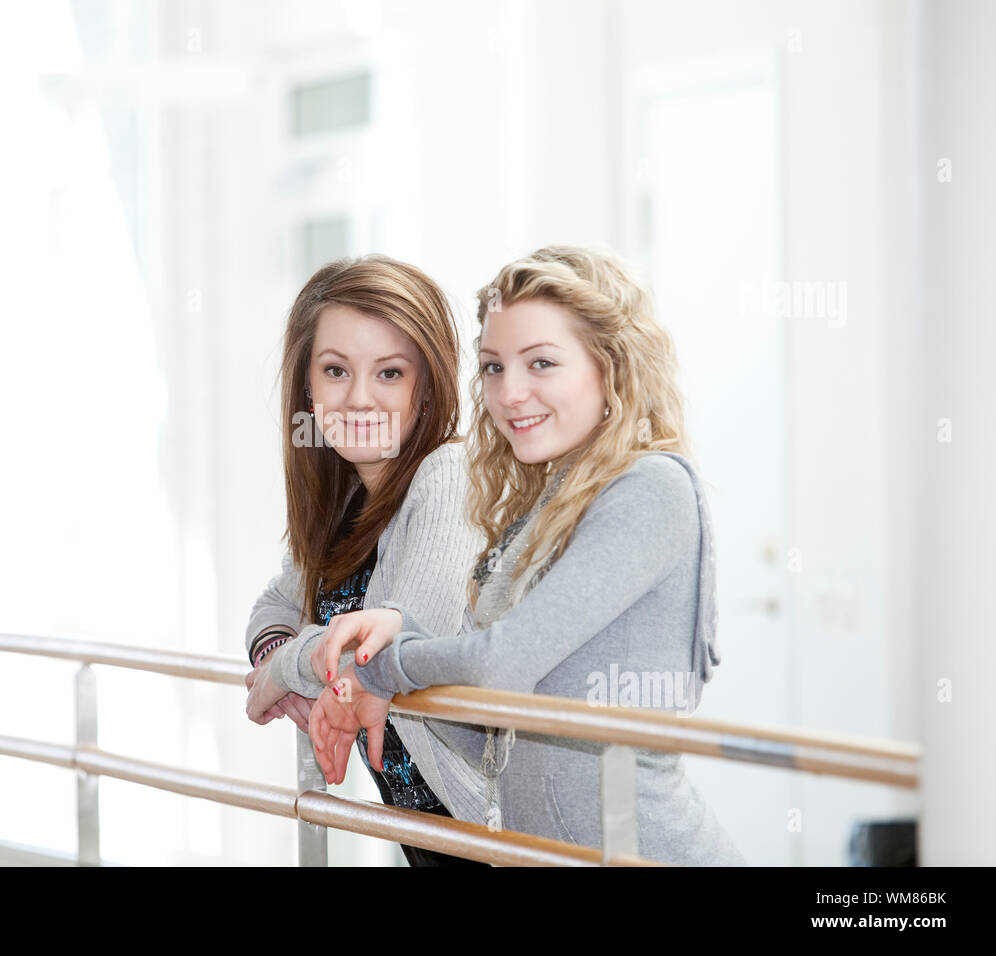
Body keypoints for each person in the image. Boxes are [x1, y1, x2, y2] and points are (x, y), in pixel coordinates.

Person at [308, 244, 747, 866]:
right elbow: (493, 735)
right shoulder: (546, 504)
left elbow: (502, 663)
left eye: (541, 363)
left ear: (611, 367)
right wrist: (396, 653)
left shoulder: (652, 488)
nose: (510, 393)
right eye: (492, 367)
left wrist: (385, 665)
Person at [242, 254, 487, 866]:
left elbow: (389, 652)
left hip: (497, 834)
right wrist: (281, 658)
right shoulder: (347, 498)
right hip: (428, 837)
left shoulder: (447, 475)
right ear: (307, 385)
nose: (358, 399)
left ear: (425, 385)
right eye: (335, 370)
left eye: (389, 373)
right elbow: (277, 604)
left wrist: (287, 670)